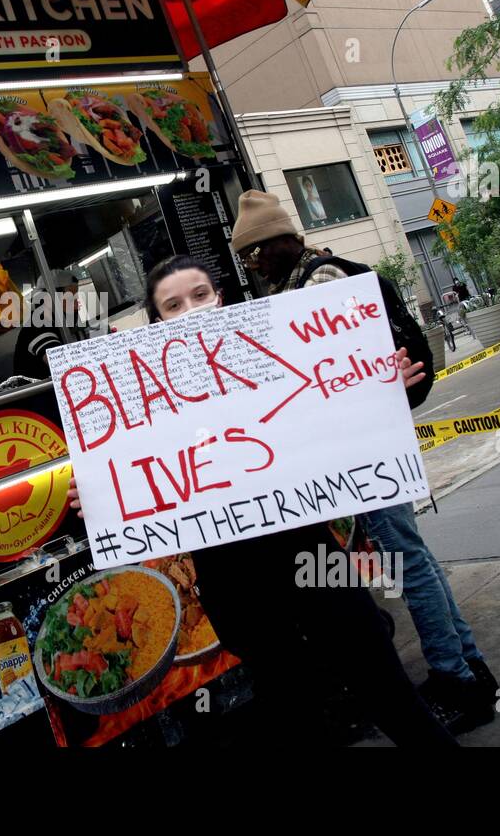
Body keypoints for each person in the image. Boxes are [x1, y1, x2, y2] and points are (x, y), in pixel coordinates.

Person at [70, 254, 454, 747]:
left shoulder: (275, 359)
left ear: (221, 299)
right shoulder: (145, 407)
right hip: (235, 585)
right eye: (173, 305)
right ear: (157, 321)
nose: (191, 310)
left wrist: (380, 394)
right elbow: (134, 485)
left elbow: (335, 419)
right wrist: (99, 494)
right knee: (298, 711)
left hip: (312, 559)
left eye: (200, 295)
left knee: (387, 686)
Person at [231, 189, 497, 733]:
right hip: (365, 446)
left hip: (366, 449)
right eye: (246, 259)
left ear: (282, 240)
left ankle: (458, 682)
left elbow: (335, 375)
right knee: (414, 559)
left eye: (256, 253)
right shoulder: (296, 283)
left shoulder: (318, 282)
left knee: (407, 562)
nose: (252, 265)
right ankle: (469, 668)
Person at [11, 269, 83, 380]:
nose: (76, 305)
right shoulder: (38, 327)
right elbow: (62, 366)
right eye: (70, 298)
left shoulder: (57, 325)